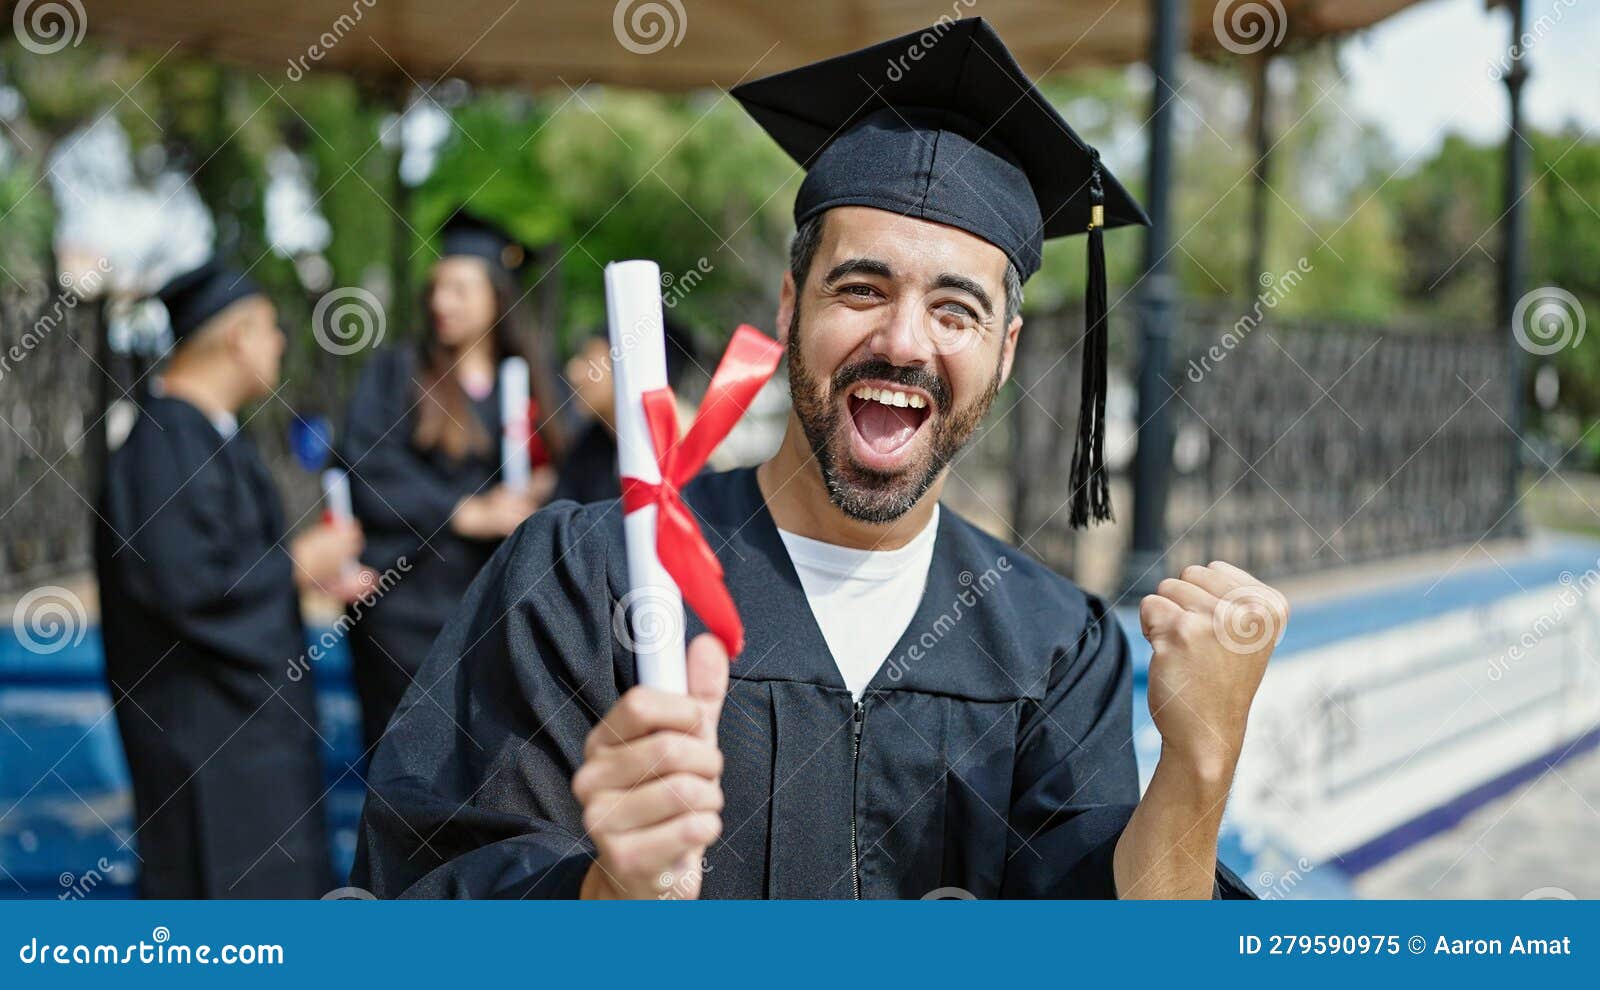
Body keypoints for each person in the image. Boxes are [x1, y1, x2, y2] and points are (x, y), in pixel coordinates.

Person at [352, 19, 1287, 899]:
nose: (903, 340)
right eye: (862, 287)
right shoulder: (583, 582)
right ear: (791, 309)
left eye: (956, 310)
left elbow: (1114, 952)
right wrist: (606, 895)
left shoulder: (1055, 648)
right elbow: (427, 900)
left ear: (1004, 353)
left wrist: (1199, 768)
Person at [96, 259, 370, 898]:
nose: (279, 343)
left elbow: (230, 574)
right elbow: (185, 586)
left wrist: (304, 583)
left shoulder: (213, 441)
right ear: (238, 336)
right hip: (209, 771)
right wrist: (299, 564)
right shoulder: (164, 445)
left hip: (254, 756)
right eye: (271, 328)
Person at [337, 210, 564, 753]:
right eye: (438, 288)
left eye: (461, 289)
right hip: (411, 608)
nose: (443, 303)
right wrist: (465, 510)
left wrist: (540, 489)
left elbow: (571, 467)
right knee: (413, 758)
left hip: (502, 605)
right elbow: (366, 467)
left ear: (497, 296)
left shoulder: (535, 380)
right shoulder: (399, 373)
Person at [553, 317, 701, 505]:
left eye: (588, 360)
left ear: (628, 372)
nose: (573, 371)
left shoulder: (689, 459)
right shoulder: (589, 447)